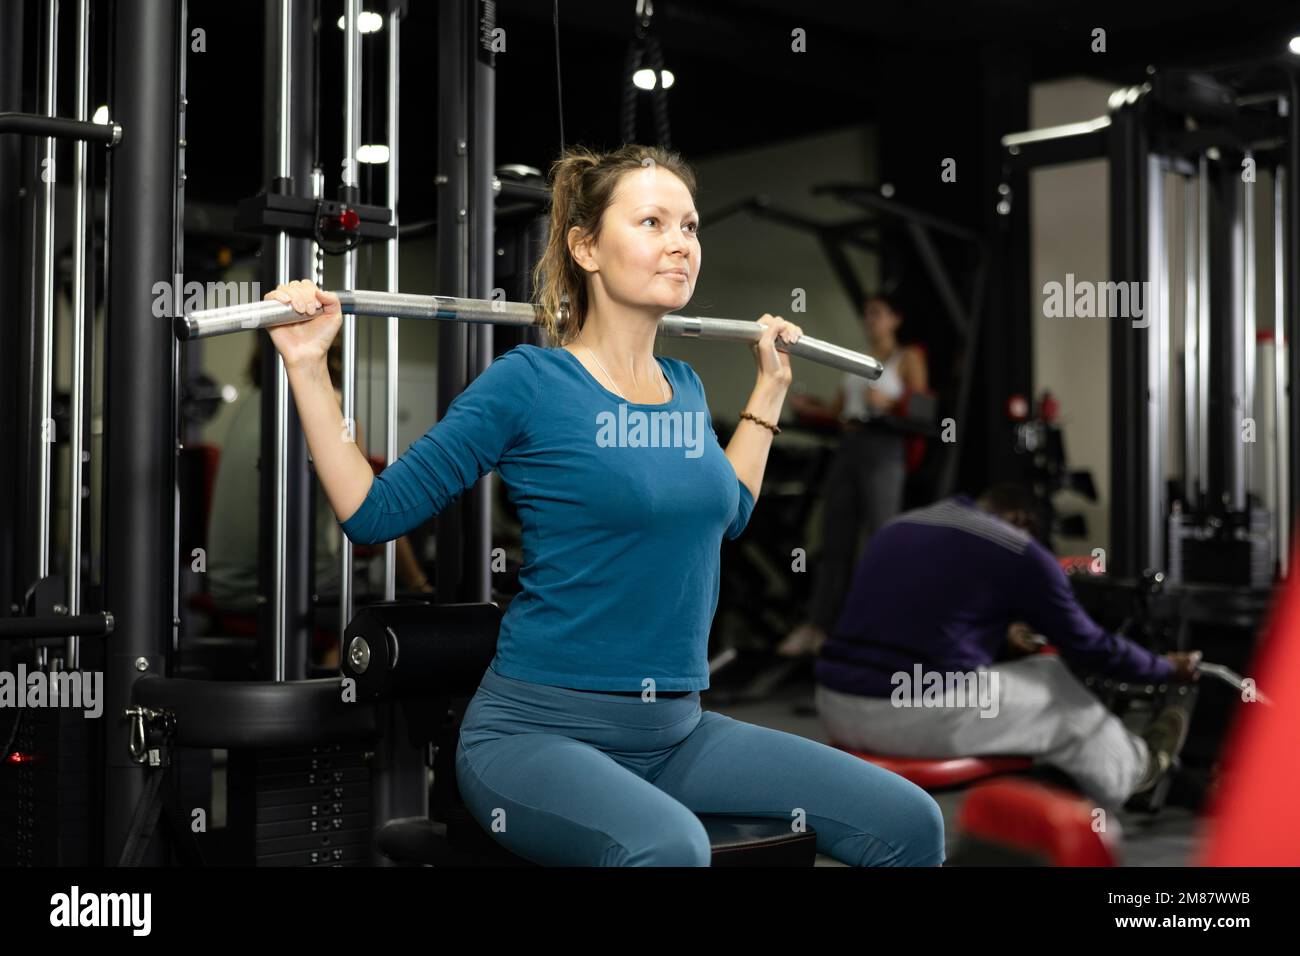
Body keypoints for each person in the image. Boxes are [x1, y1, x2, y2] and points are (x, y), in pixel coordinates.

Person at [263, 144, 945, 866]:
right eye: (652, 222)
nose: (679, 242)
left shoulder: (682, 385)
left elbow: (730, 512)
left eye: (688, 225)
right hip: (534, 736)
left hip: (677, 735)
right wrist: (308, 366)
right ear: (585, 246)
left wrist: (770, 388)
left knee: (910, 821)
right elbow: (372, 512)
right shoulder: (529, 383)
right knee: (669, 849)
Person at [812, 483, 1202, 810]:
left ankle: (1076, 767)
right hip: (905, 714)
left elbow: (912, 620)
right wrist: (1165, 668)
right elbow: (1090, 648)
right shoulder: (1020, 551)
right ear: (1022, 521)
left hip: (833, 704)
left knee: (1032, 677)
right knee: (1055, 688)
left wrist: (998, 641)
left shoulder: (900, 525)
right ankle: (1138, 771)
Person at [206, 338, 432, 668]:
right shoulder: (330, 411)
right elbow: (376, 513)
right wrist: (421, 587)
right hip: (278, 591)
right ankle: (335, 698)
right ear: (335, 354)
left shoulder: (251, 405)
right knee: (383, 609)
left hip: (225, 589)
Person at [780, 293, 928, 658]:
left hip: (884, 449)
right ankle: (819, 626)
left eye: (877, 313)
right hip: (849, 448)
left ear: (895, 318)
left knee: (881, 541)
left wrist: (893, 404)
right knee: (835, 541)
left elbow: (923, 409)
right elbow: (837, 411)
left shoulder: (907, 358)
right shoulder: (856, 362)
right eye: (866, 313)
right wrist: (808, 406)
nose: (870, 320)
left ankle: (884, 630)